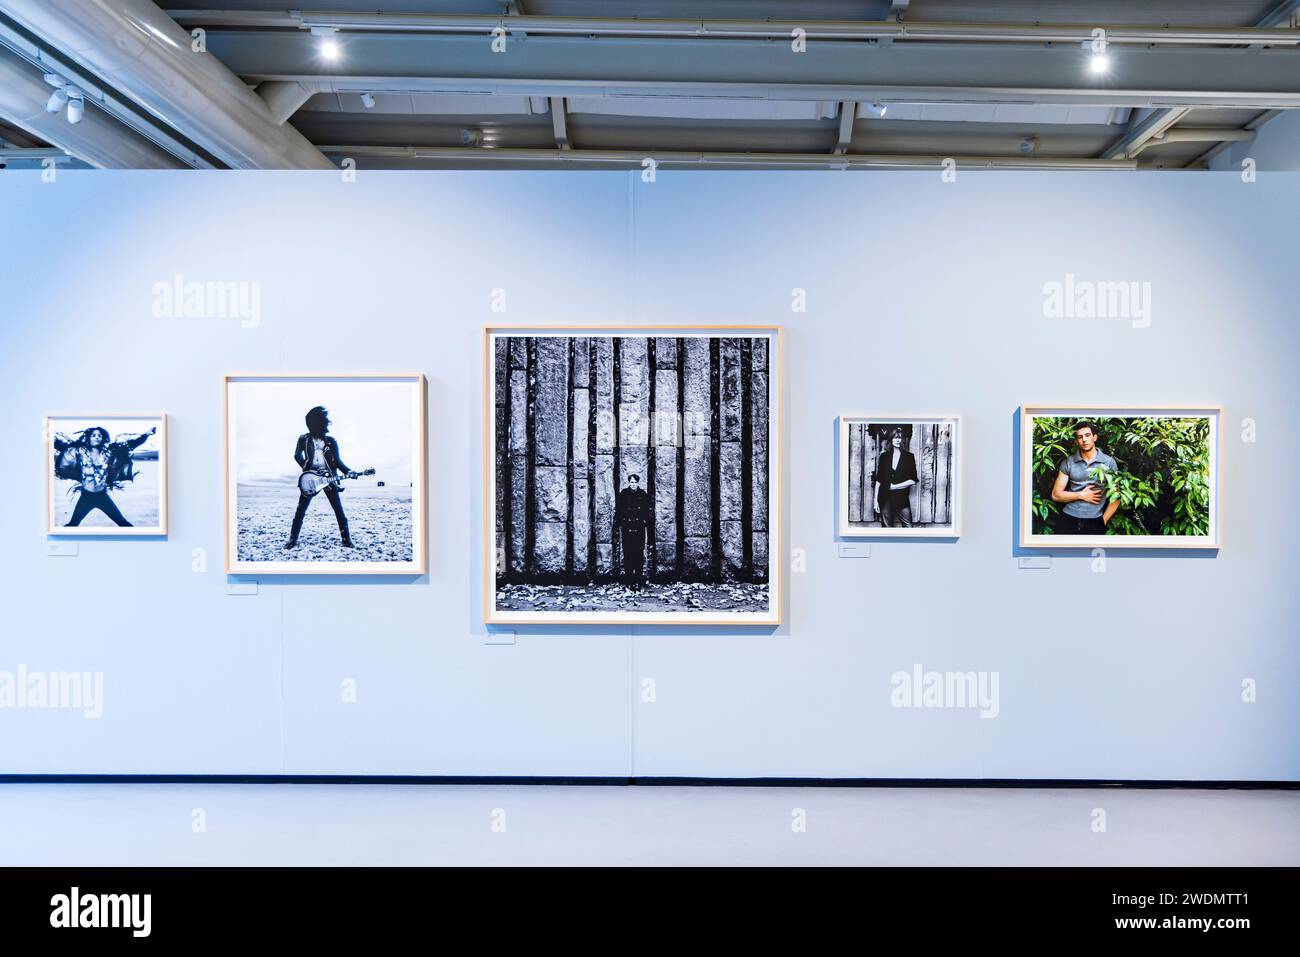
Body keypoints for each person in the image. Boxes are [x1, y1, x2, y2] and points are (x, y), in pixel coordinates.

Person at [286, 406, 358, 549]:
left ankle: (346, 539)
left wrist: (348, 471)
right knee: (300, 510)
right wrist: (305, 467)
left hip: (329, 478)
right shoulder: (303, 439)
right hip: (310, 478)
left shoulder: (331, 441)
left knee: (338, 509)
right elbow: (297, 455)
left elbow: (337, 461)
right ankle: (292, 540)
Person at [54, 425, 155, 527]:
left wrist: (146, 434)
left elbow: (130, 445)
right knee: (73, 524)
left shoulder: (109, 451)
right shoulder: (80, 451)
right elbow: (62, 447)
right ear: (89, 438)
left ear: (102, 439)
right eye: (93, 435)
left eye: (99, 435)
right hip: (86, 497)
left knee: (124, 524)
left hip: (102, 496)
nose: (97, 437)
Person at [1051, 420, 1120, 534]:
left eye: (1087, 435)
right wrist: (1081, 495)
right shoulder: (1069, 462)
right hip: (1068, 518)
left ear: (1094, 437)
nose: (1084, 439)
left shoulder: (1109, 462)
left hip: (1095, 520)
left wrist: (1103, 520)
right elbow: (1055, 495)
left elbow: (1117, 496)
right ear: (1076, 441)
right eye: (1080, 437)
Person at [874, 427, 918, 528]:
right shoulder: (884, 457)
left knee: (908, 527)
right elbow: (878, 480)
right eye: (895, 437)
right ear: (891, 439)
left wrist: (895, 487)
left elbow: (913, 480)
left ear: (902, 440)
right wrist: (875, 501)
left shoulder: (909, 457)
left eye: (900, 437)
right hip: (884, 498)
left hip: (901, 498)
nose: (897, 440)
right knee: (886, 528)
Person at [615, 472, 650, 590]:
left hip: (639, 528)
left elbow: (646, 511)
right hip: (627, 527)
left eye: (635, 482)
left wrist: (645, 523)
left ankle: (638, 579)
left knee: (639, 552)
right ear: (629, 483)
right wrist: (621, 523)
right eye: (631, 482)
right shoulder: (623, 494)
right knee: (628, 552)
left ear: (638, 483)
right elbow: (619, 510)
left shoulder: (643, 494)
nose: (633, 484)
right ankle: (629, 579)